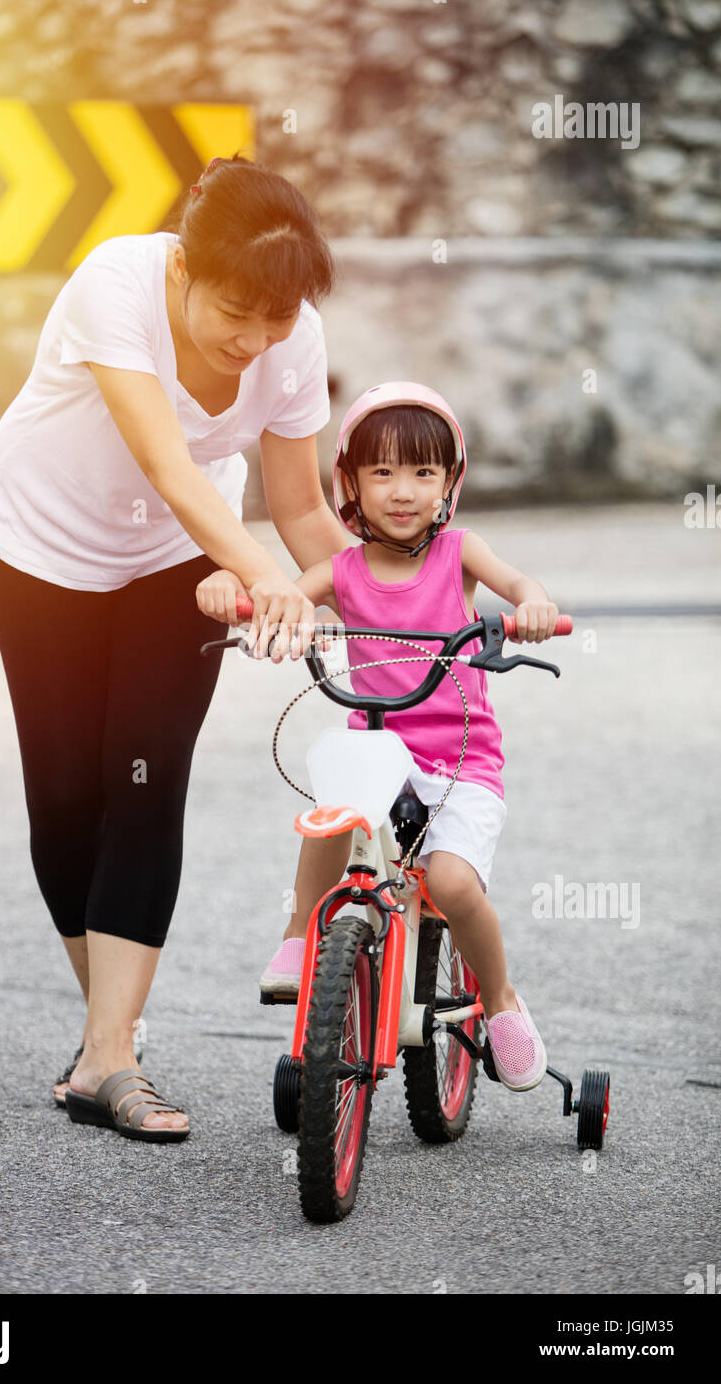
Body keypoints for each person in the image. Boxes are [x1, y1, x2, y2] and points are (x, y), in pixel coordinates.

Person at [0, 154, 348, 1141]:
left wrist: (398, 586)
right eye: (235, 311)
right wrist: (267, 579)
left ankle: (109, 1056)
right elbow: (168, 463)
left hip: (179, 562)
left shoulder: (289, 334)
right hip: (41, 546)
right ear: (183, 268)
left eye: (274, 321)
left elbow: (303, 506)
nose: (254, 340)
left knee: (144, 777)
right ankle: (108, 1036)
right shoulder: (117, 283)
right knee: (63, 795)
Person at [241, 382, 559, 1091]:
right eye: (381, 472)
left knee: (448, 880)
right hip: (380, 750)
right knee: (331, 806)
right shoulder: (342, 570)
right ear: (349, 484)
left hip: (459, 760)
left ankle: (501, 1000)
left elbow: (516, 581)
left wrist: (532, 603)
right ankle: (300, 936)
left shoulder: (458, 552)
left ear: (450, 481)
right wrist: (255, 606)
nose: (403, 490)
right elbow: (288, 595)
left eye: (423, 471)